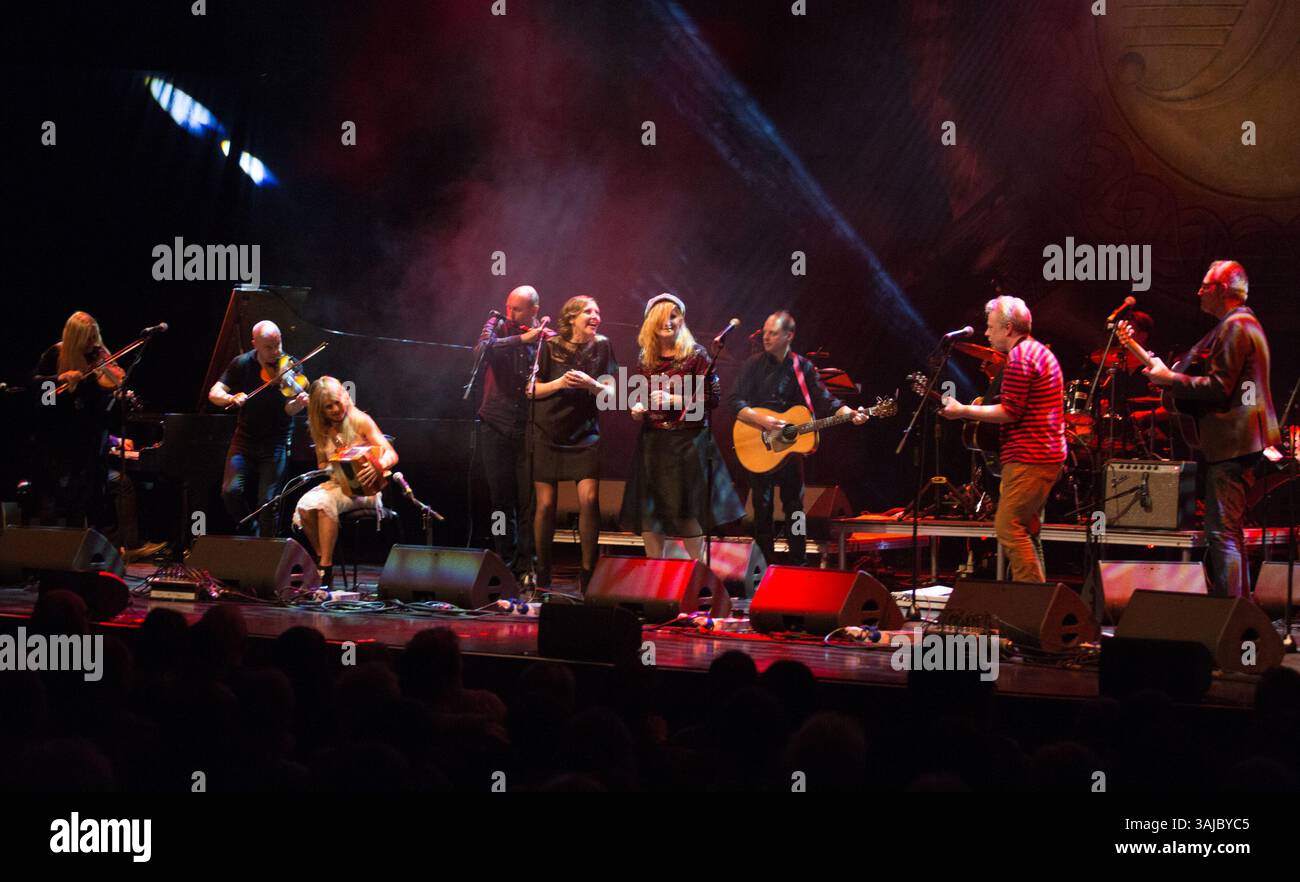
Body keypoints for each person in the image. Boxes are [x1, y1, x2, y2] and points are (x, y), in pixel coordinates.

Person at [1142, 261, 1279, 597]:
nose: (1198, 291)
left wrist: (1171, 379)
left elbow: (1219, 386)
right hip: (1241, 441)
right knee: (1226, 533)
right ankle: (1236, 612)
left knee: (1223, 534)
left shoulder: (1235, 327)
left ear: (1221, 289)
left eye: (1205, 285)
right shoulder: (1242, 324)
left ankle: (1233, 616)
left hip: (1235, 443)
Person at [941, 296, 1066, 582]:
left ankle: (1033, 606)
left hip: (1030, 458)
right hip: (1044, 457)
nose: (986, 333)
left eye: (990, 327)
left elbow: (1010, 411)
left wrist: (962, 410)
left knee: (1008, 527)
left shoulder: (1021, 358)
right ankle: (1040, 604)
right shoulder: (1037, 352)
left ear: (1008, 328)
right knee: (1027, 530)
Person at [731, 311, 867, 566]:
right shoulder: (751, 365)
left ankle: (798, 565)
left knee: (794, 508)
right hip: (758, 441)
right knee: (762, 507)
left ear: (788, 336)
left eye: (773, 333)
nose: (766, 338)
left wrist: (847, 412)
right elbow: (733, 400)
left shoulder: (802, 366)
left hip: (789, 448)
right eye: (765, 333)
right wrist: (761, 419)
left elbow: (823, 398)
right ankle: (763, 567)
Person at [619, 294, 744, 560]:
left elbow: (712, 398)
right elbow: (641, 396)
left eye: (673, 316)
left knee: (685, 512)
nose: (668, 322)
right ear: (651, 322)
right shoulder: (645, 357)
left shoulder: (696, 355)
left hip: (687, 441)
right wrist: (637, 409)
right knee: (650, 514)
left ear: (682, 319)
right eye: (662, 317)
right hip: (654, 441)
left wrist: (674, 399)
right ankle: (656, 576)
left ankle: (698, 575)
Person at [527, 296, 617, 589]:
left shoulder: (602, 345)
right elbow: (530, 390)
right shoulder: (550, 346)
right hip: (547, 431)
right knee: (546, 504)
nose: (595, 316)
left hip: (585, 433)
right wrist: (560, 383)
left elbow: (614, 394)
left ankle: (589, 573)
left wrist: (592, 385)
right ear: (571, 318)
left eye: (598, 311)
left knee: (589, 500)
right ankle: (543, 574)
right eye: (588, 311)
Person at [293, 376, 398, 587]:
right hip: (337, 486)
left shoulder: (360, 420)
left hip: (365, 490)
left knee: (323, 505)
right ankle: (324, 561)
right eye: (327, 407)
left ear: (345, 398)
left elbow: (392, 455)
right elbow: (322, 465)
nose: (334, 409)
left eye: (337, 403)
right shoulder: (320, 430)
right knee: (304, 507)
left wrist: (377, 465)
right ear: (319, 410)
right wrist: (337, 462)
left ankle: (325, 569)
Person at [208, 321, 309, 536]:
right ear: (255, 344)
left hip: (275, 443)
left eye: (278, 344)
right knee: (230, 492)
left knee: (268, 503)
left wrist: (298, 403)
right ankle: (250, 530)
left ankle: (267, 553)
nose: (276, 352)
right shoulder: (241, 363)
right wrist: (230, 397)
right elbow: (214, 393)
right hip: (244, 441)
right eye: (269, 347)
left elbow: (289, 410)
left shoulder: (291, 365)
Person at [475, 285, 548, 580]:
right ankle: (504, 561)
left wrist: (535, 340)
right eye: (508, 307)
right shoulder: (498, 328)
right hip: (494, 424)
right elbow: (480, 351)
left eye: (517, 309)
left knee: (528, 500)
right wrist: (521, 338)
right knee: (500, 500)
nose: (510, 313)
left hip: (528, 426)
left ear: (534, 310)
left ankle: (526, 563)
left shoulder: (543, 339)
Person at [31, 311, 126, 529]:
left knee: (92, 498)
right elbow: (40, 396)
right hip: (61, 443)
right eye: (88, 338)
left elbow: (101, 401)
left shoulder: (99, 356)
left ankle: (97, 547)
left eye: (95, 337)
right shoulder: (56, 354)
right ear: (76, 338)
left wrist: (117, 395)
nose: (93, 344)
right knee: (66, 499)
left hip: (91, 443)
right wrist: (59, 379)